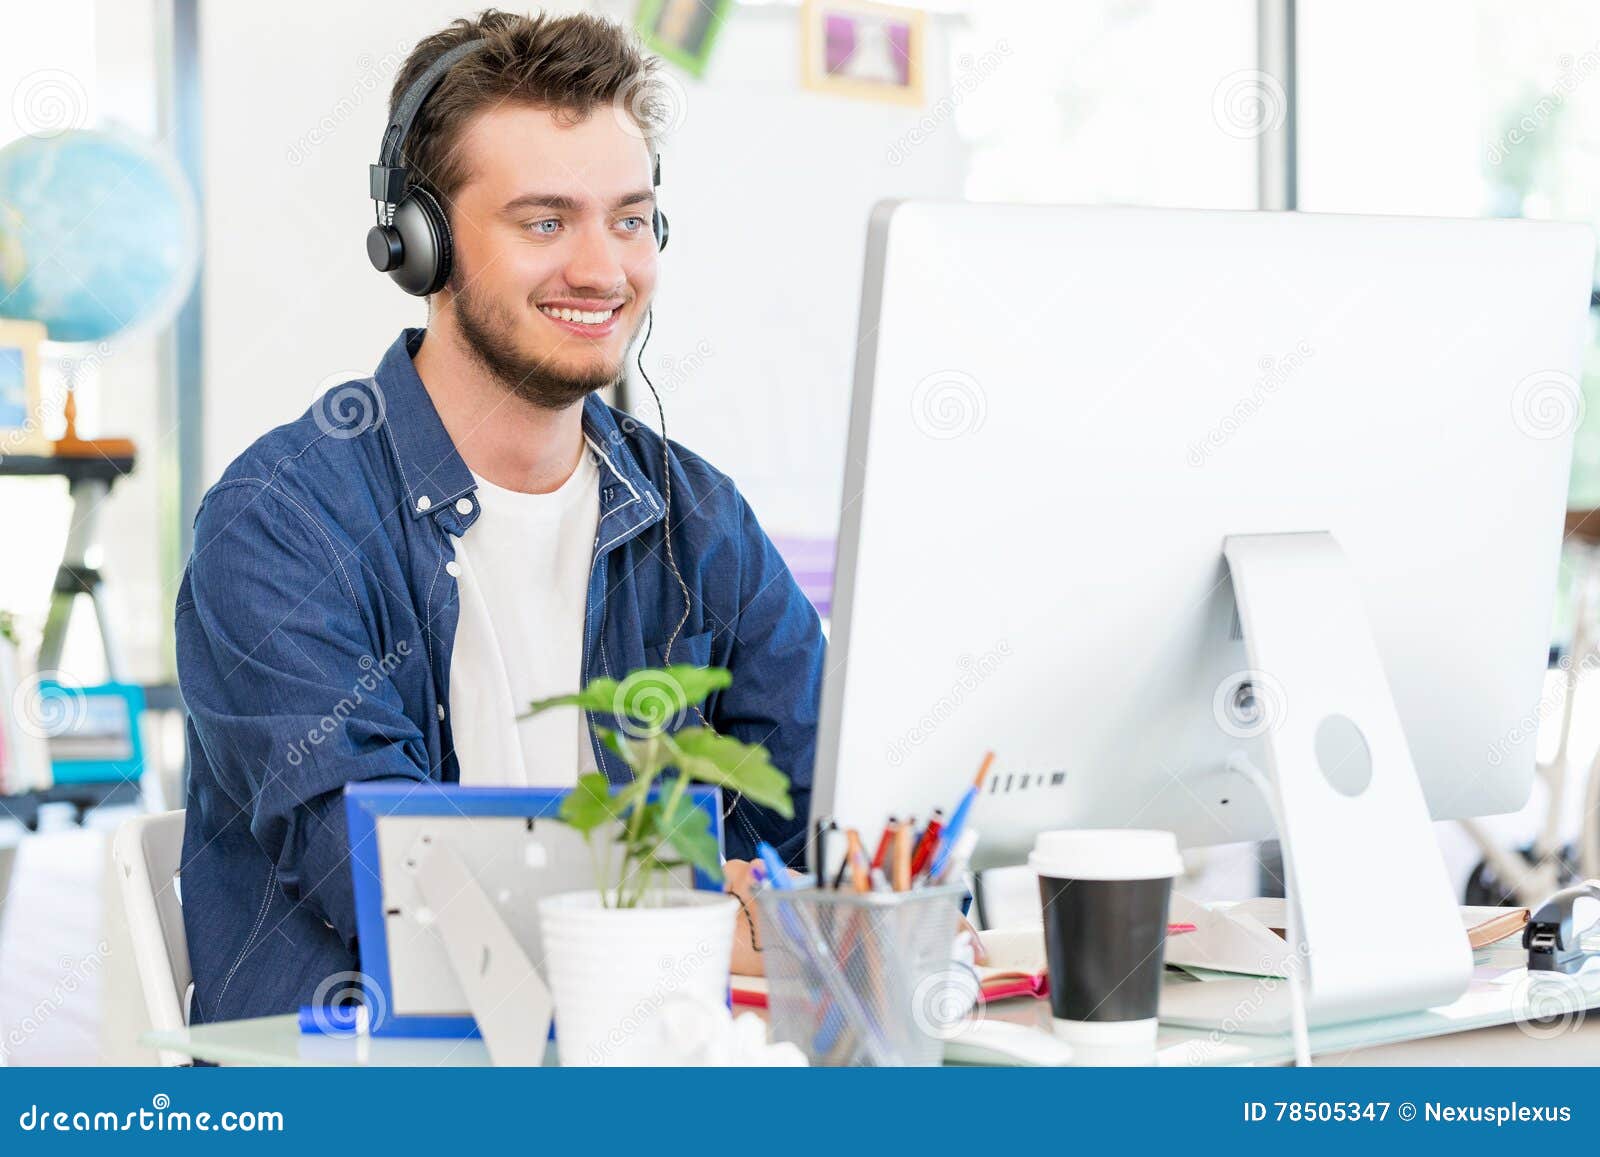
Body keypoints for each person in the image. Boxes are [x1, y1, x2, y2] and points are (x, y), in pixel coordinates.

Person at [175, 9, 823, 1023]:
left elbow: (820, 819)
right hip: (375, 1088)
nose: (604, 270)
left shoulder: (698, 520)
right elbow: (404, 887)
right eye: (543, 220)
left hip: (647, 1062)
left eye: (630, 216)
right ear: (419, 243)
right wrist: (712, 910)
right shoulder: (279, 525)